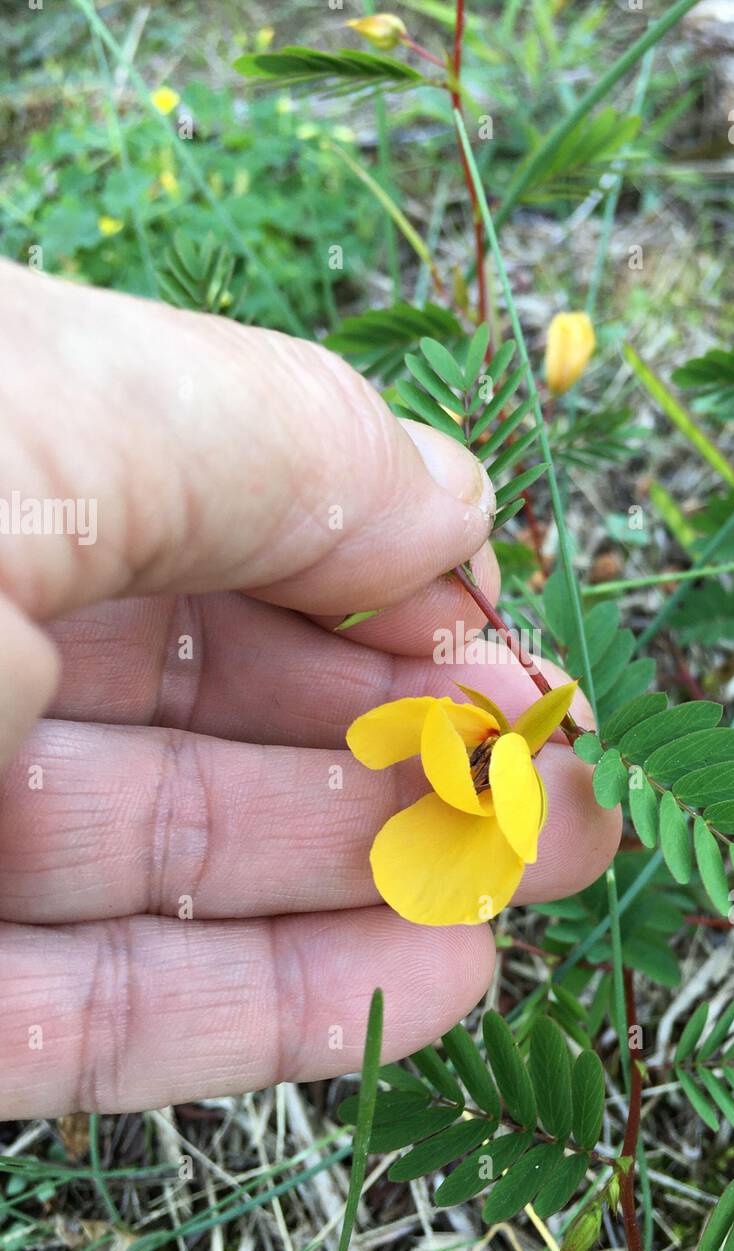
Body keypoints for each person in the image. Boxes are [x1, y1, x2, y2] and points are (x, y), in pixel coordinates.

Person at [0, 260, 619, 1120]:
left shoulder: (496, 753)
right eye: (483, 754)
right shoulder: (475, 731)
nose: (475, 763)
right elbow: (389, 738)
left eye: (483, 759)